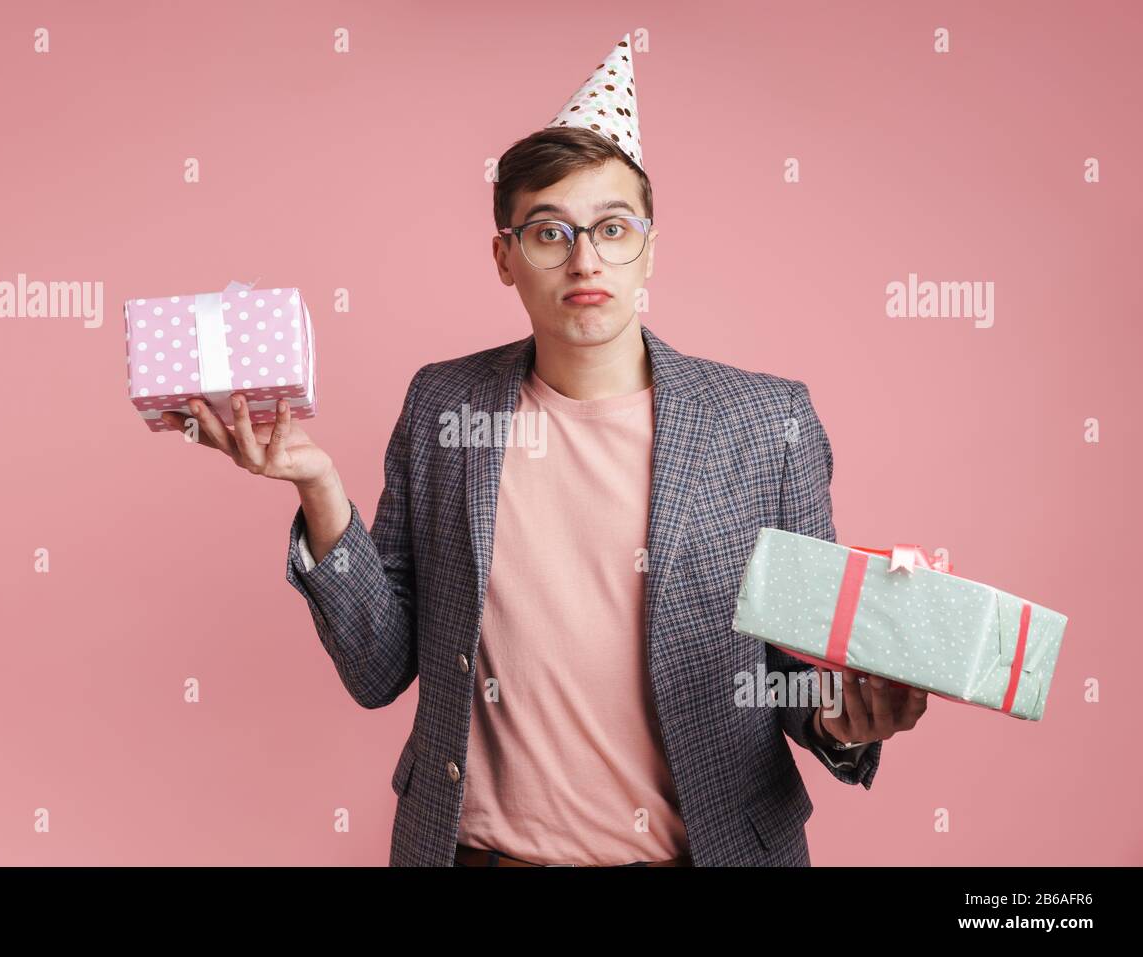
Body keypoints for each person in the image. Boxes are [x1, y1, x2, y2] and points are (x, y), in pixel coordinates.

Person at [160, 36, 928, 867]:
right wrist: (317, 487)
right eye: (549, 231)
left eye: (611, 228)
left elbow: (792, 670)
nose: (585, 257)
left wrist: (841, 719)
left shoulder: (764, 421)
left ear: (650, 250)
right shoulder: (445, 406)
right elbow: (380, 668)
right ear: (504, 257)